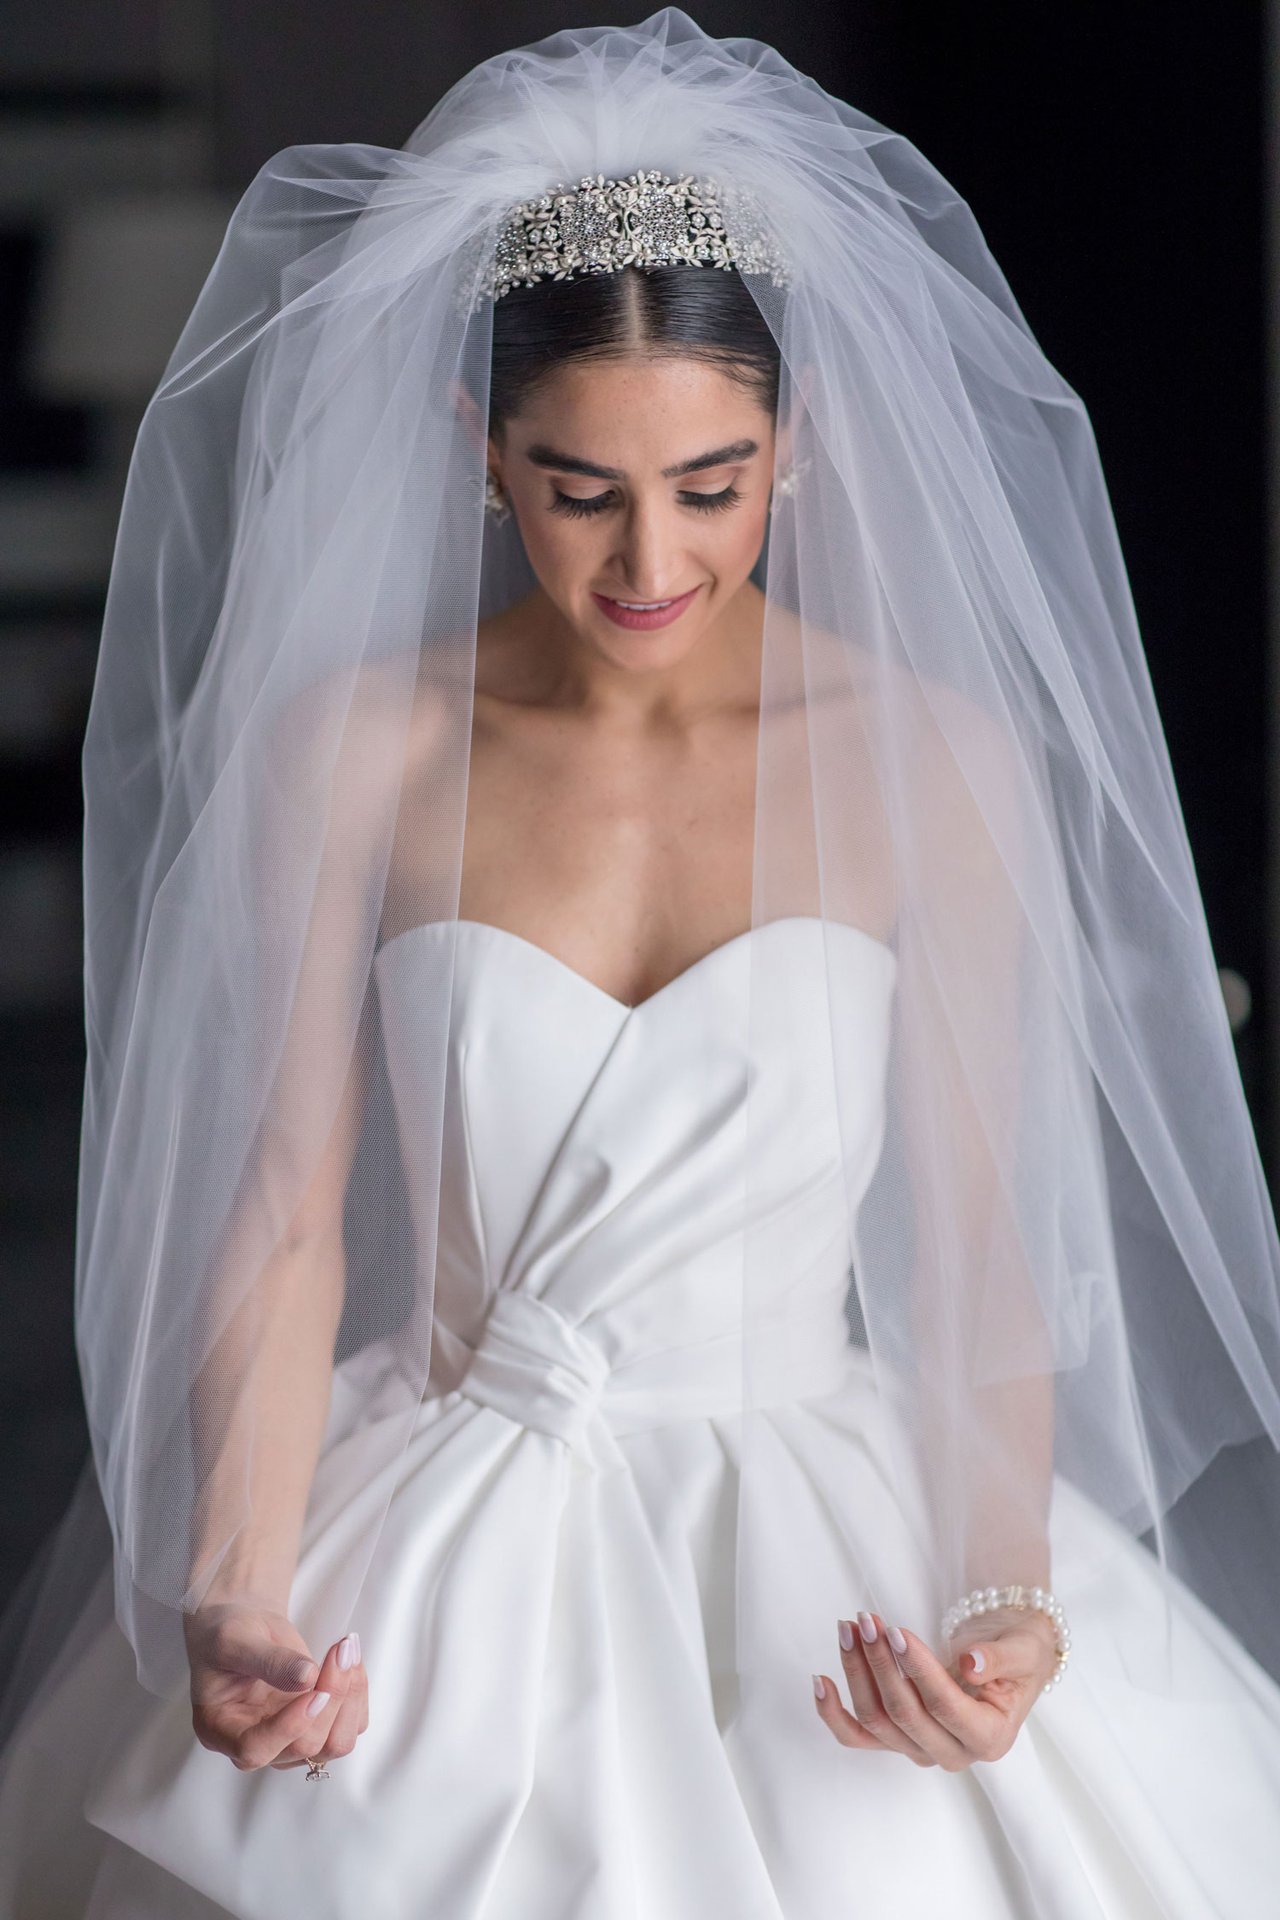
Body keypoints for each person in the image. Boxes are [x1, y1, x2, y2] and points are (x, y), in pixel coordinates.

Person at [3, 9, 1280, 1915]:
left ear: (800, 443)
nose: (650, 561)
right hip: (424, 1532)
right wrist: (242, 1586)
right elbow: (277, 1221)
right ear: (481, 449)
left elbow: (984, 1236)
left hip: (816, 1523)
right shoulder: (352, 747)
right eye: (580, 486)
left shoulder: (934, 753)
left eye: (714, 478)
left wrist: (1001, 1598)